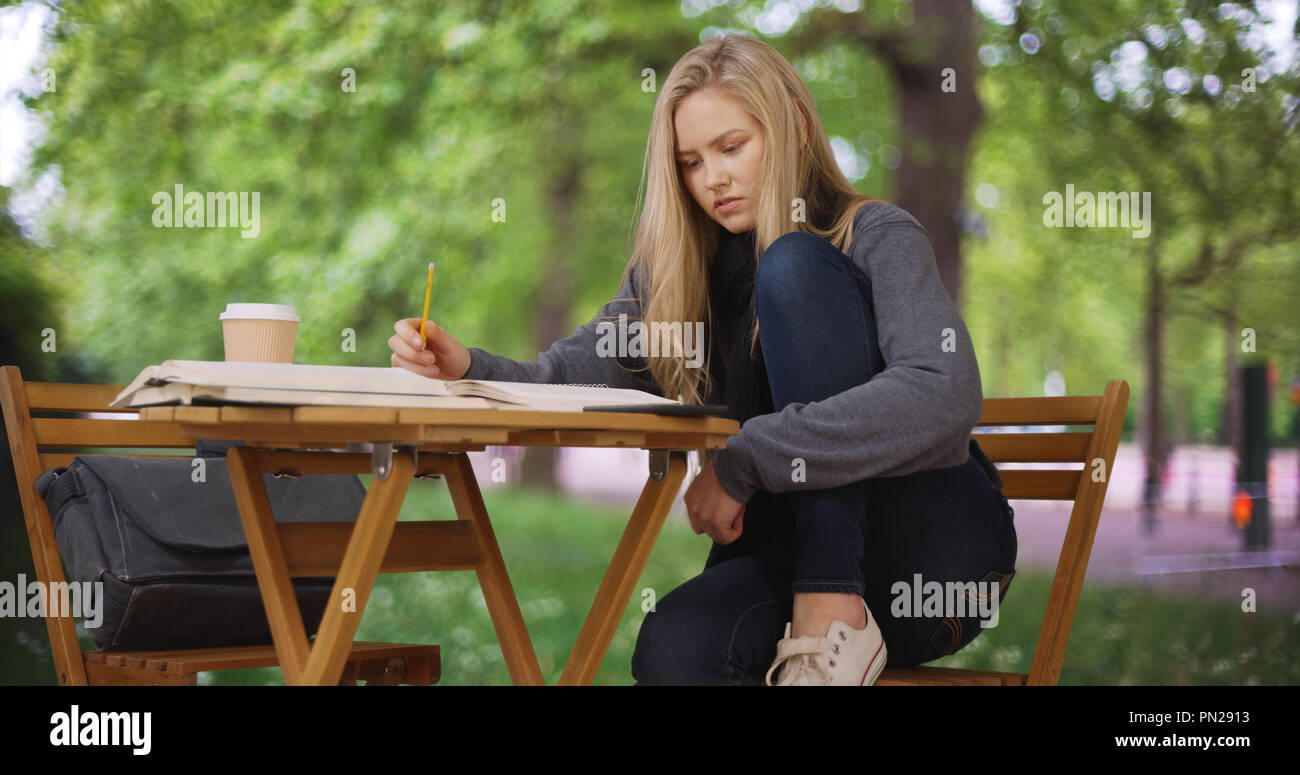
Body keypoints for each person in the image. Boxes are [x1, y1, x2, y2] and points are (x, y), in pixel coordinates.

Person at [389, 33, 1017, 686]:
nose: (712, 177)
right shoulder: (679, 272)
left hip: (933, 560)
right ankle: (821, 606)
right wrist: (466, 367)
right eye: (690, 161)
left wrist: (746, 458)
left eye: (731, 147)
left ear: (794, 126)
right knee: (676, 647)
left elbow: (944, 392)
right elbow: (563, 376)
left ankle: (830, 607)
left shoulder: (874, 236)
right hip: (786, 555)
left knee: (793, 266)